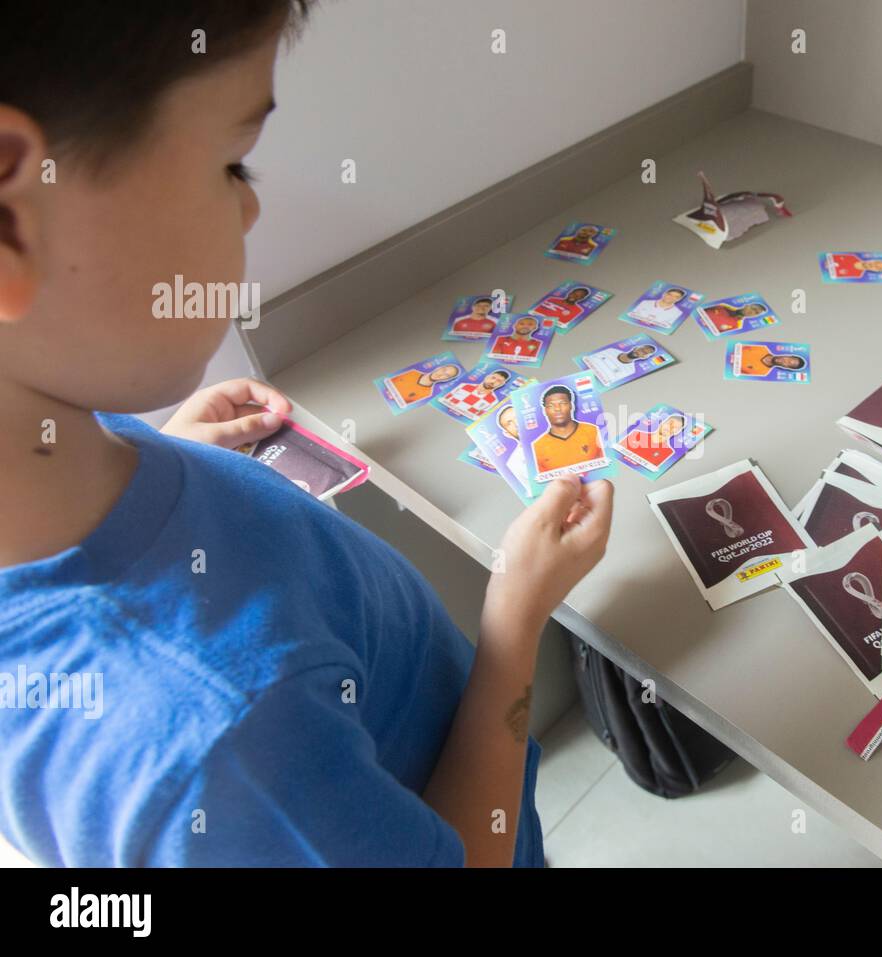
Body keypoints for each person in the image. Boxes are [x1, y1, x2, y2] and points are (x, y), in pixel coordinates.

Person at [0, 2, 612, 868]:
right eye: (230, 162)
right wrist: (515, 621)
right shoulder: (228, 747)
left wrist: (166, 456)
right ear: (13, 217)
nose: (250, 207)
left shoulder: (54, 432)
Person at [530, 385, 604, 475]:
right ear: (545, 411)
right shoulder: (537, 447)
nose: (557, 409)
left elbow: (606, 467)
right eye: (551, 405)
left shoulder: (593, 431)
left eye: (562, 403)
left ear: (571, 406)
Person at [438, 368, 512, 421]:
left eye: (498, 381)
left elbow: (478, 418)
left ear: (501, 384)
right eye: (493, 377)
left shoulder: (493, 401)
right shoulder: (464, 386)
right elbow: (445, 398)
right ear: (487, 377)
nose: (493, 382)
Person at [618, 414, 685, 471]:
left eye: (675, 427)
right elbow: (615, 452)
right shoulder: (636, 434)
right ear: (662, 422)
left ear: (677, 432)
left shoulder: (668, 452)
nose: (670, 427)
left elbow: (648, 470)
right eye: (670, 423)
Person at [389, 362, 461, 407]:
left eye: (447, 375)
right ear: (439, 367)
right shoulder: (412, 373)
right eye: (444, 370)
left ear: (446, 379)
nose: (441, 374)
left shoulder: (427, 393)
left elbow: (399, 404)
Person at [701, 300, 766, 335]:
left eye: (756, 313)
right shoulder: (722, 306)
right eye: (753, 308)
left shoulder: (736, 326)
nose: (752, 312)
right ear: (747, 305)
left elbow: (713, 335)